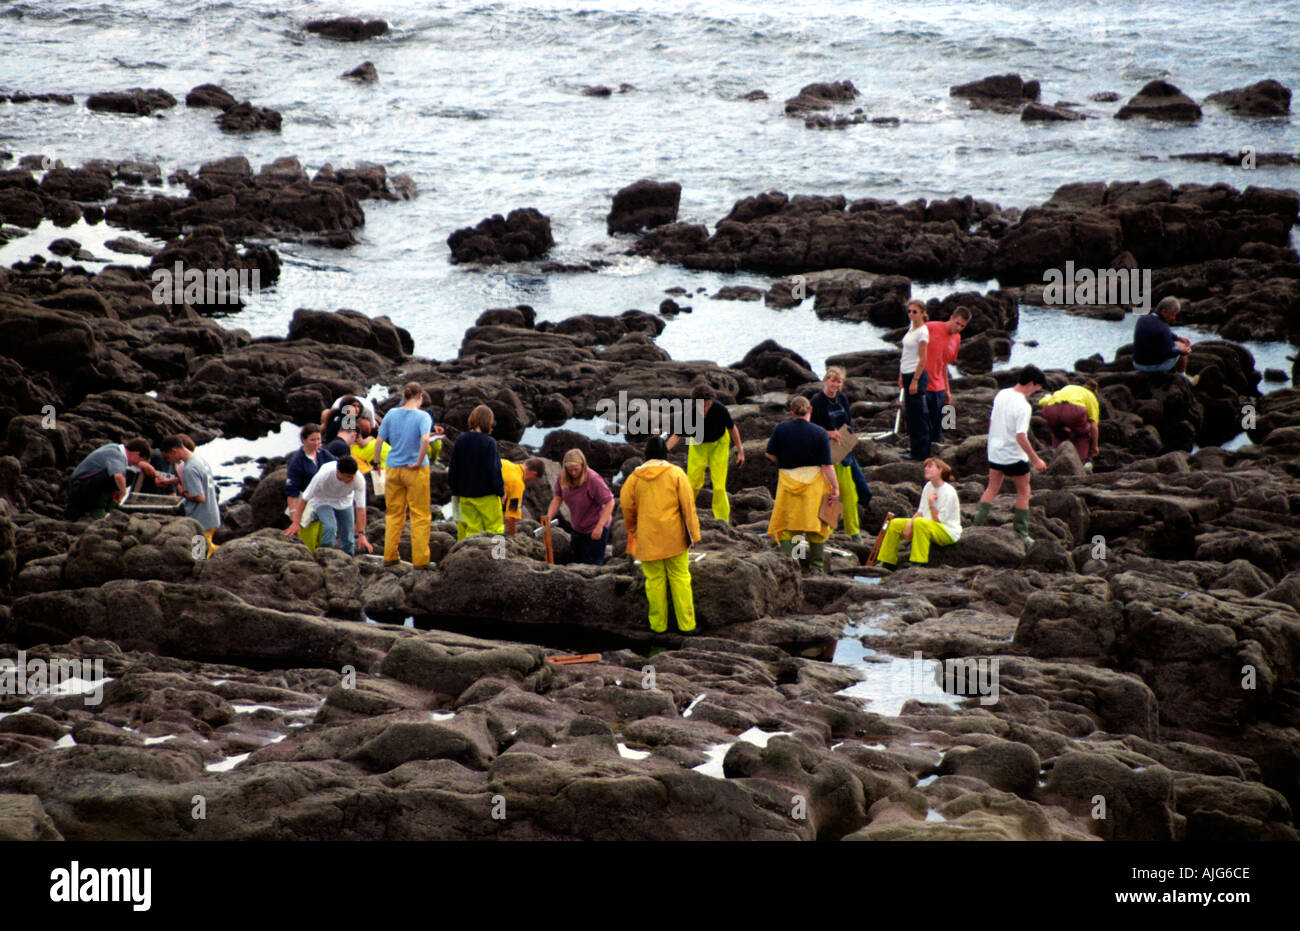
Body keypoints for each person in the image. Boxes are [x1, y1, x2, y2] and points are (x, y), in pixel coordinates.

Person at [620, 436, 701, 634]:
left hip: (647, 538)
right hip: (675, 537)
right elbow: (688, 507)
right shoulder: (676, 473)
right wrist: (694, 535)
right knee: (680, 578)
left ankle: (658, 626)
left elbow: (627, 508)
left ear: (646, 455)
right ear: (666, 454)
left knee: (654, 582)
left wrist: (634, 530)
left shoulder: (634, 478)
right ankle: (687, 626)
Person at [972, 365, 1047, 544]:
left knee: (992, 488)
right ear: (1031, 383)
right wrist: (1036, 459)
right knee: (1024, 492)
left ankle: (977, 523)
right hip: (1014, 455)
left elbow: (992, 422)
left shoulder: (1002, 394)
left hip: (995, 451)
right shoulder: (1024, 406)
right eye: (1037, 387)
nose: (1036, 391)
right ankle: (1021, 531)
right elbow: (1021, 437)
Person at [765, 395, 839, 572]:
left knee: (790, 526)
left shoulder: (781, 429)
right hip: (813, 483)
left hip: (788, 479)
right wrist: (835, 487)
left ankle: (793, 564)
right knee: (815, 526)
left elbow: (769, 454)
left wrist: (782, 462)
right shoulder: (820, 432)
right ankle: (816, 567)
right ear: (810, 410)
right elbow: (827, 465)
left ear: (792, 412)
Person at [377, 382, 437, 568]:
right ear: (420, 397)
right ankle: (421, 560)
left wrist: (377, 463)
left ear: (404, 396)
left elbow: (379, 440)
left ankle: (389, 556)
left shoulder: (391, 413)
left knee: (394, 514)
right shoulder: (423, 416)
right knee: (419, 515)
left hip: (393, 468)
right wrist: (419, 461)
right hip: (415, 470)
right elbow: (425, 439)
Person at [666, 384, 743, 523]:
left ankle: (722, 520)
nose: (706, 409)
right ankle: (684, 514)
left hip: (719, 444)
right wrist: (662, 452)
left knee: (719, 486)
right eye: (702, 406)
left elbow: (732, 428)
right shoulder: (689, 413)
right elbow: (676, 435)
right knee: (692, 483)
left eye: (708, 405)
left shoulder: (719, 409)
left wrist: (740, 451)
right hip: (698, 445)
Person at [811, 366, 872, 541]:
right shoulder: (817, 400)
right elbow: (811, 427)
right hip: (825, 453)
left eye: (839, 382)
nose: (835, 385)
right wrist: (829, 433)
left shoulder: (842, 398)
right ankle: (827, 532)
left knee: (850, 492)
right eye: (832, 381)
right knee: (830, 494)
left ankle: (853, 531)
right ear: (826, 380)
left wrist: (848, 433)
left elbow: (848, 421)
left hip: (843, 452)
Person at [877, 457, 962, 568]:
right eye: (925, 466)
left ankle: (918, 562)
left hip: (947, 531)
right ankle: (888, 562)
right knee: (895, 523)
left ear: (940, 470)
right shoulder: (928, 486)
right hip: (927, 525)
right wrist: (909, 525)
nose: (926, 469)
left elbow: (938, 520)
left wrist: (931, 503)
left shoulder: (948, 492)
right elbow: (921, 511)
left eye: (930, 466)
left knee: (920, 523)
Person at [284, 456, 372, 555]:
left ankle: (349, 558)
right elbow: (304, 498)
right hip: (322, 500)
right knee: (330, 527)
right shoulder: (324, 475)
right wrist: (296, 522)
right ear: (338, 472)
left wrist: (362, 534)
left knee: (348, 536)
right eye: (348, 476)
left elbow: (361, 508)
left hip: (345, 501)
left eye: (353, 476)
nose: (352, 479)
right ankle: (325, 555)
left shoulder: (358, 479)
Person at [546, 448, 616, 565]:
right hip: (577, 527)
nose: (573, 473)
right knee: (577, 563)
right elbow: (558, 498)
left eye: (576, 469)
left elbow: (610, 502)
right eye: (570, 470)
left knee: (592, 566)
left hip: (595, 526)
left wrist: (599, 527)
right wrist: (548, 518)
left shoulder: (593, 479)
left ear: (583, 466)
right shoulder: (563, 476)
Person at [448, 404, 506, 542]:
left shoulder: (460, 440)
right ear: (488, 421)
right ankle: (498, 554)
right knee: (495, 529)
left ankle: (471, 553)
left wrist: (455, 490)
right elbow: (494, 470)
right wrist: (500, 491)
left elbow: (454, 467)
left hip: (465, 494)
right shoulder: (490, 442)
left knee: (472, 529)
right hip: (487, 495)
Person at [160, 435, 221, 555]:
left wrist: (184, 492)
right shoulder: (198, 459)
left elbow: (200, 497)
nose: (169, 461)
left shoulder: (189, 468)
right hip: (211, 515)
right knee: (207, 550)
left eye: (168, 457)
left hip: (200, 521)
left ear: (174, 451)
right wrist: (171, 482)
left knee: (199, 555)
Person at [65, 437, 154, 520]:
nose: (137, 464)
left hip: (80, 485)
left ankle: (106, 509)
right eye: (141, 460)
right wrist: (123, 491)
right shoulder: (117, 455)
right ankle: (96, 510)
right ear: (136, 454)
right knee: (117, 479)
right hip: (80, 489)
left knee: (123, 477)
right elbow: (118, 475)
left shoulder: (115, 448)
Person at [924, 306, 970, 446]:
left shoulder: (957, 338)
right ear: (951, 318)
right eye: (957, 323)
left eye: (962, 326)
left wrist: (947, 390)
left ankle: (934, 454)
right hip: (922, 384)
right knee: (921, 425)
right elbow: (910, 350)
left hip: (938, 388)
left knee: (937, 431)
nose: (959, 328)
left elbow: (944, 364)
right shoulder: (929, 327)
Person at [1039, 379, 1102, 471]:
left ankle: (1056, 460)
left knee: (1058, 433)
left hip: (1051, 410)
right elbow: (1093, 425)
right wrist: (1095, 446)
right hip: (1074, 411)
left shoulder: (1068, 387)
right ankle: (1080, 464)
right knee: (1084, 434)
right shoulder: (1090, 396)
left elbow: (1042, 402)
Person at [1133, 296, 1195, 381]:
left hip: (1137, 364)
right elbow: (1169, 352)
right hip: (1151, 368)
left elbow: (1166, 334)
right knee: (1182, 346)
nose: (1174, 318)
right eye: (1173, 314)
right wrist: (1182, 351)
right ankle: (1182, 377)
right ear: (1164, 312)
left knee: (1177, 343)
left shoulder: (1143, 318)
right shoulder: (1163, 327)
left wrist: (1178, 338)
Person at [900, 299, 931, 460]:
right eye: (909, 311)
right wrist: (901, 375)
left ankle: (922, 452)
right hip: (906, 372)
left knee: (918, 415)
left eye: (915, 312)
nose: (911, 314)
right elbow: (906, 353)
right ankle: (914, 447)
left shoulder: (923, 332)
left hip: (915, 374)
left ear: (923, 313)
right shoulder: (912, 328)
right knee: (911, 415)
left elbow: (923, 358)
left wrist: (915, 380)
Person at [285, 424, 336, 516]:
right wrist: (293, 512)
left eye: (318, 439)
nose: (316, 443)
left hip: (325, 500)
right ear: (303, 440)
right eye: (312, 440)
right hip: (306, 503)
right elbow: (292, 488)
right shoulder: (297, 461)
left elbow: (338, 464)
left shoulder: (323, 454)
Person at [502, 458, 545, 535]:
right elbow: (510, 518)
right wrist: (515, 537)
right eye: (534, 479)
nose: (531, 481)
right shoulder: (517, 484)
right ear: (534, 474)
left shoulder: (504, 462)